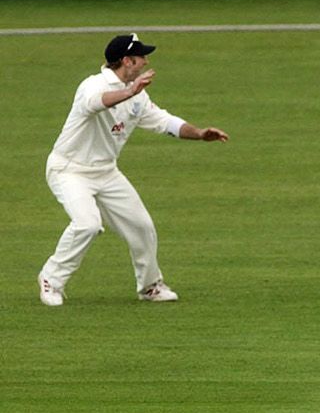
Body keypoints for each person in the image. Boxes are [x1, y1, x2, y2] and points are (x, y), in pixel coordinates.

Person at [37, 34, 229, 307]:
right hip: (70, 170)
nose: (146, 62)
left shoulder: (138, 96)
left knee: (142, 227)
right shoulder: (93, 84)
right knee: (88, 224)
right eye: (141, 57)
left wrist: (199, 133)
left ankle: (150, 286)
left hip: (106, 172)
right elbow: (95, 103)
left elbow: (164, 121)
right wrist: (129, 91)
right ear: (127, 61)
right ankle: (51, 279)